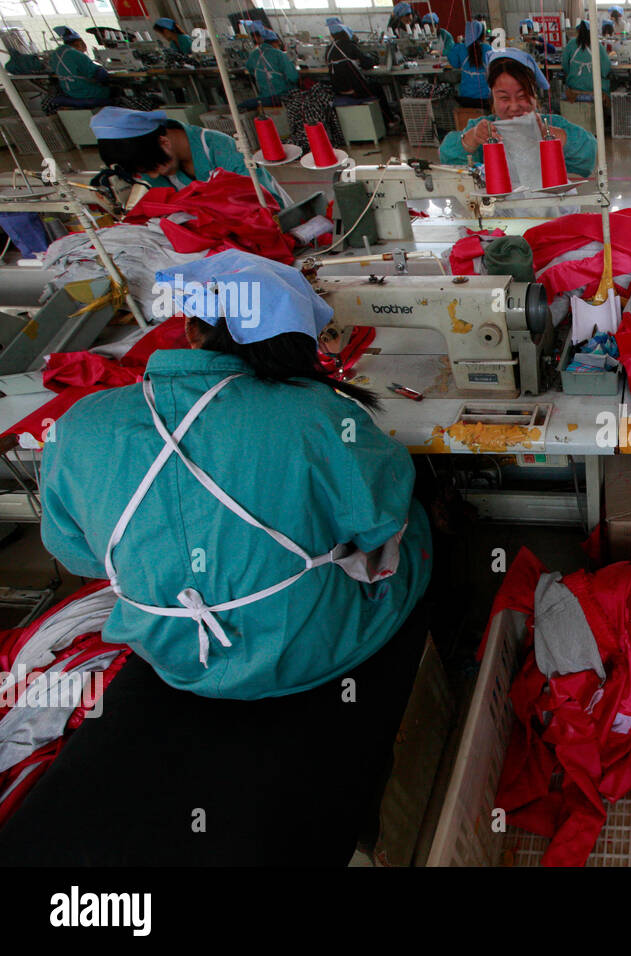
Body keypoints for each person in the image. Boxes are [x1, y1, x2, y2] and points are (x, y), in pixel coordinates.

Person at [11, 251, 432, 865]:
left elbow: (76, 552)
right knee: (412, 524)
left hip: (172, 653)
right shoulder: (320, 416)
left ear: (191, 327)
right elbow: (379, 519)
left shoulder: (82, 424)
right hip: (311, 651)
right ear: (298, 342)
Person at [439, 48, 596, 178]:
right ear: (492, 97)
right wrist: (472, 138)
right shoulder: (484, 131)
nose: (514, 107)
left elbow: (588, 156)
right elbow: (448, 160)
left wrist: (549, 135)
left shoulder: (552, 124)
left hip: (551, 213)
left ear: (535, 95)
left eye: (522, 96)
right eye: (504, 98)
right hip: (497, 214)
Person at [91, 107, 292, 208]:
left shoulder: (218, 147)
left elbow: (268, 204)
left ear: (164, 142)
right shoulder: (153, 165)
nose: (153, 176)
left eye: (153, 167)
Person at [48, 26, 112, 109]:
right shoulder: (75, 54)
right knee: (116, 91)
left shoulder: (56, 53)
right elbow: (98, 74)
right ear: (80, 42)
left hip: (69, 91)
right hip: (84, 92)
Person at [240, 24, 299, 110]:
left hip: (263, 95)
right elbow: (293, 77)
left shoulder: (254, 54)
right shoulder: (279, 54)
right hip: (282, 95)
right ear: (276, 42)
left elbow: (250, 69)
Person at [448, 19, 492, 110]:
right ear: (482, 35)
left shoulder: (460, 48)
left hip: (466, 100)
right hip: (485, 100)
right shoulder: (487, 49)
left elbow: (455, 64)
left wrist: (460, 43)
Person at [562, 20, 611, 102]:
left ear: (578, 31)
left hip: (574, 87)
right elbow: (605, 69)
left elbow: (565, 66)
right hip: (594, 88)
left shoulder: (571, 44)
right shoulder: (597, 45)